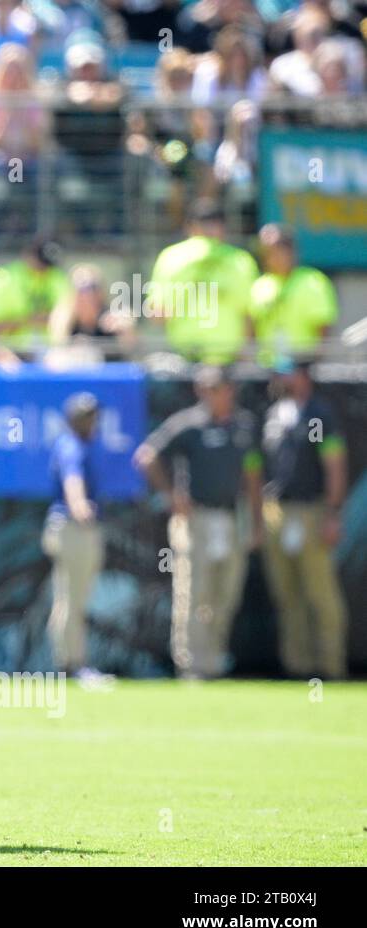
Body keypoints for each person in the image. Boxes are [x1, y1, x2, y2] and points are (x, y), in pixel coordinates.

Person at [134, 366, 263, 679]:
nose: (211, 395)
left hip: (232, 518)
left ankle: (215, 659)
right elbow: (146, 455)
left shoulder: (244, 426)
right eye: (205, 389)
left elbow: (253, 474)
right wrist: (170, 495)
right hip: (197, 520)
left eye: (217, 388)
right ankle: (191, 663)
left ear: (229, 390)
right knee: (195, 591)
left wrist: (256, 521)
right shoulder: (188, 424)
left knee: (227, 592)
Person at [260, 359, 348, 679]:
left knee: (320, 593)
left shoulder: (319, 414)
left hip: (311, 511)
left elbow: (335, 464)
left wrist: (332, 513)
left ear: (303, 376)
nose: (281, 378)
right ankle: (298, 666)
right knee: (287, 593)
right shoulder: (274, 414)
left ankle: (330, 666)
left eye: (287, 372)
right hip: (277, 512)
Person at [42, 392, 110, 686]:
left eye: (93, 415)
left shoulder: (80, 444)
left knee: (69, 598)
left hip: (68, 527)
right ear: (72, 420)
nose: (92, 421)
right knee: (72, 599)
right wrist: (79, 505)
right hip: (73, 528)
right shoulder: (72, 446)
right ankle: (73, 664)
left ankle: (68, 662)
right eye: (86, 416)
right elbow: (73, 480)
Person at [147, 198, 258, 364]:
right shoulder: (241, 260)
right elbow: (251, 315)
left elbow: (158, 314)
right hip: (227, 359)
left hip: (185, 357)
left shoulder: (171, 257)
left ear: (189, 227)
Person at [249, 223, 338, 367]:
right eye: (266, 252)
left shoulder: (313, 281)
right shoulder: (259, 285)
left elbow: (323, 329)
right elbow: (251, 329)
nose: (271, 257)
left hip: (304, 364)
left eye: (277, 251)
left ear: (290, 250)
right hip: (267, 366)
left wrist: (314, 364)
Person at [0, 237, 70, 357]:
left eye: (47, 266)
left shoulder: (57, 276)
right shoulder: (2, 278)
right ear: (28, 256)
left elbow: (68, 315)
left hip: (48, 350)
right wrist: (29, 321)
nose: (43, 270)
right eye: (40, 264)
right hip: (9, 349)